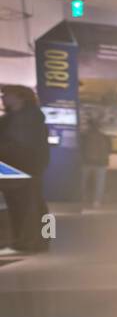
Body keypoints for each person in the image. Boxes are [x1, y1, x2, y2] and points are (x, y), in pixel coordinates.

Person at [0, 85, 52, 254]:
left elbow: (21, 145)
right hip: (13, 167)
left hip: (25, 166)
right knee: (24, 205)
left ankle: (32, 241)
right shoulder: (13, 118)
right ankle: (34, 240)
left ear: (20, 97)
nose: (3, 97)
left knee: (29, 206)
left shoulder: (28, 118)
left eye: (7, 94)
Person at [79, 111, 112, 209]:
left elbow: (81, 148)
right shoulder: (105, 137)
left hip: (87, 161)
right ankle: (96, 202)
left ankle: (81, 199)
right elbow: (109, 150)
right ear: (99, 127)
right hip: (101, 163)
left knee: (82, 182)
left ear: (89, 126)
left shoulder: (84, 136)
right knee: (99, 183)